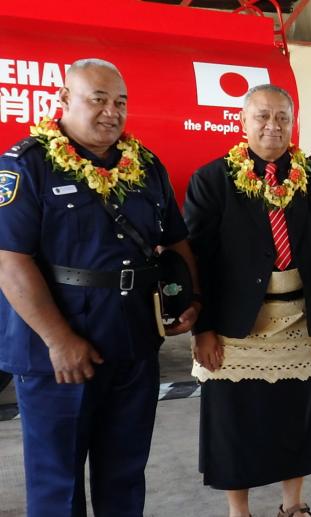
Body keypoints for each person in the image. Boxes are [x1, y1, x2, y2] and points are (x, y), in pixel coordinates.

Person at [0, 58, 198, 516]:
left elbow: (176, 241)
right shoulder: (28, 165)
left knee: (124, 476)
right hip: (58, 354)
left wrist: (190, 298)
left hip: (131, 343)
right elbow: (11, 261)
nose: (112, 111)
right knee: (58, 486)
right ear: (64, 100)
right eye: (99, 99)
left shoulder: (145, 166)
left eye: (121, 102)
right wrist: (59, 340)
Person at [183, 84, 311, 517]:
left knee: (298, 416)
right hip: (234, 326)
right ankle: (240, 511)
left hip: (299, 320)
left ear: (293, 124)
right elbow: (195, 260)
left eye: (282, 118)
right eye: (262, 116)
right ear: (242, 121)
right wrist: (203, 329)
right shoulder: (212, 180)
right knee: (234, 423)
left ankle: (293, 506)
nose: (272, 126)